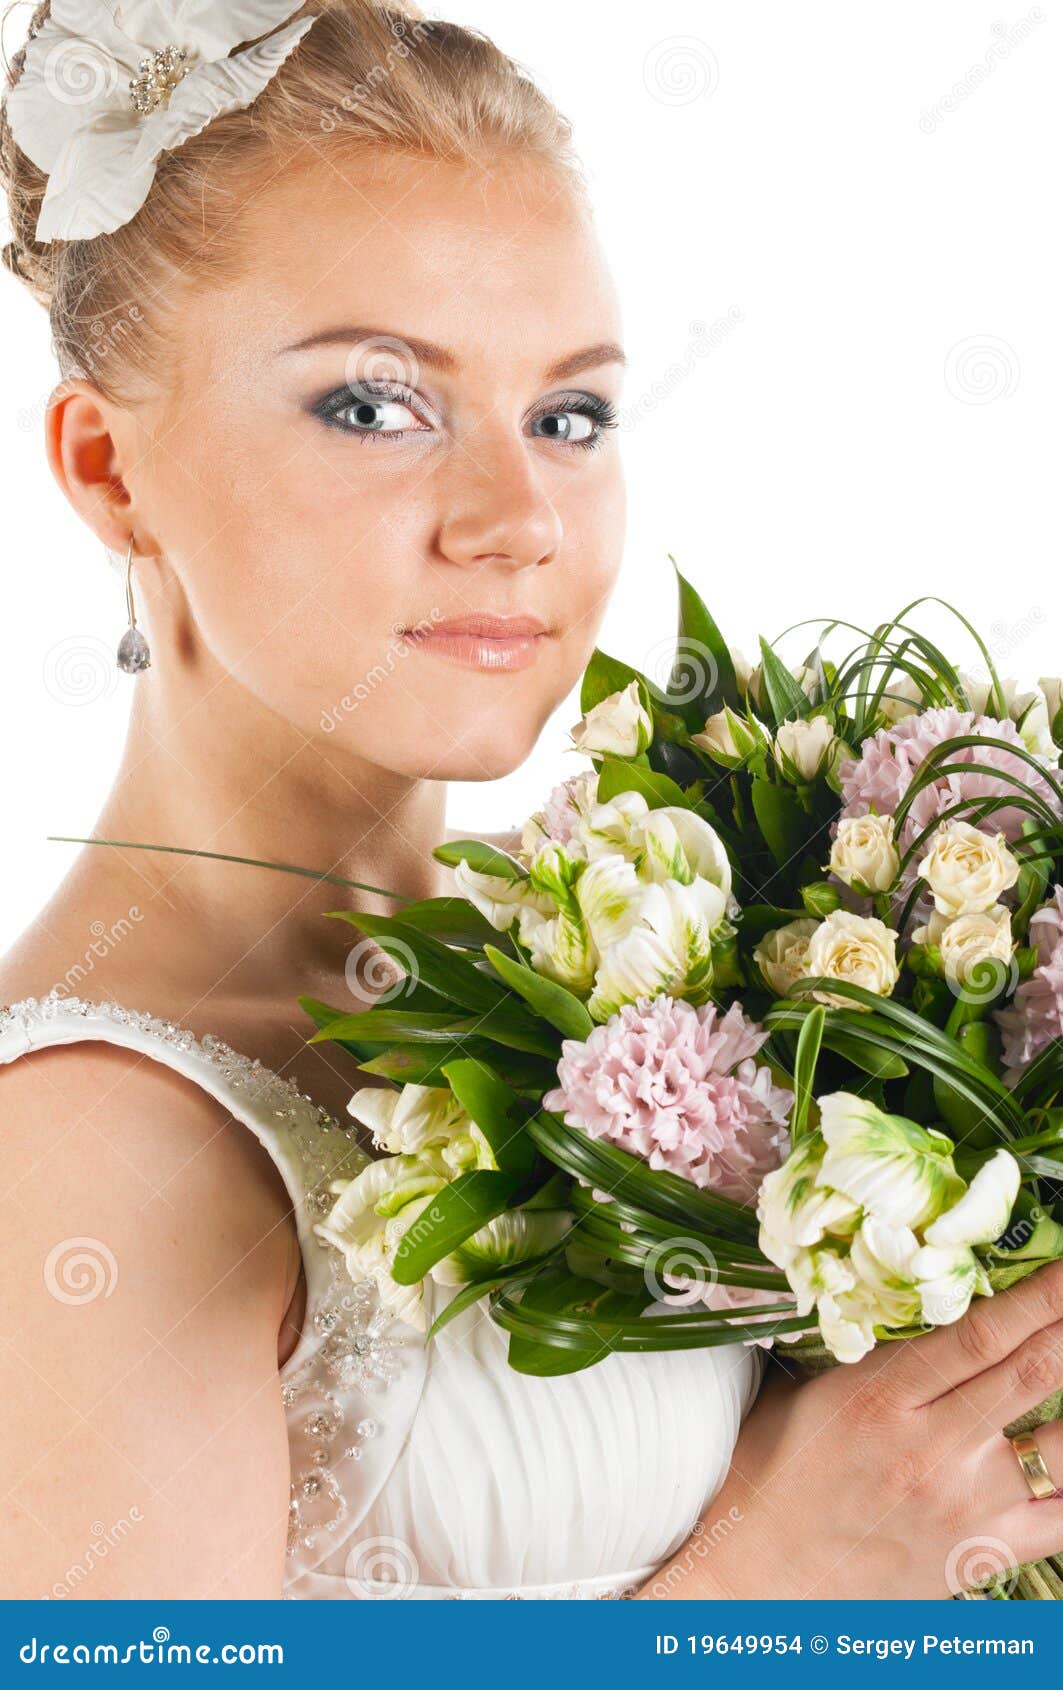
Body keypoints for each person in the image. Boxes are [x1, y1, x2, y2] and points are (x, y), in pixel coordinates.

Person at [0, 0, 1060, 1602]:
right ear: (107, 469)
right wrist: (773, 1582)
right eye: (374, 404)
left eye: (568, 415)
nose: (517, 519)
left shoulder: (612, 952)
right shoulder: (86, 1157)